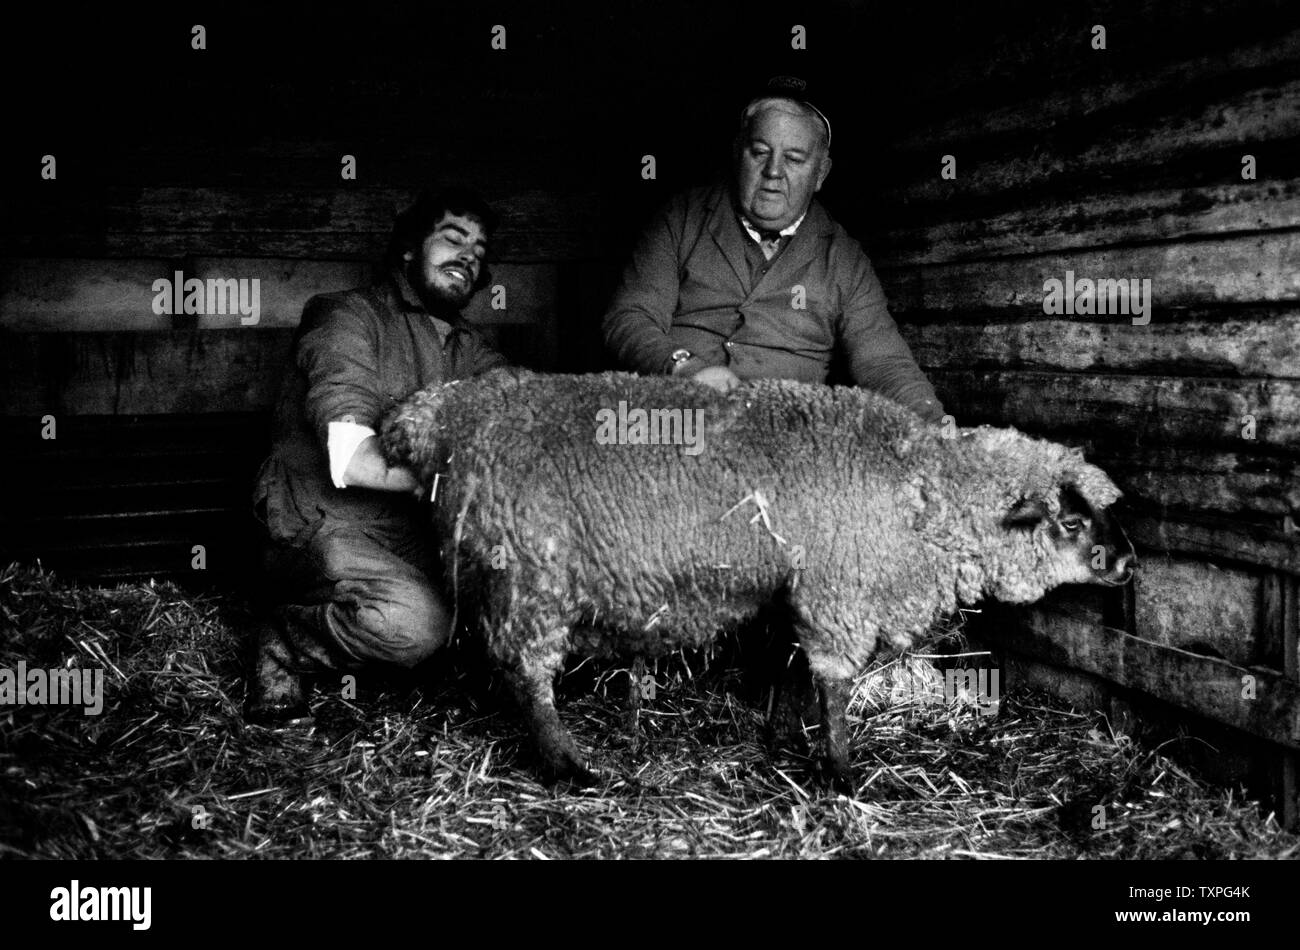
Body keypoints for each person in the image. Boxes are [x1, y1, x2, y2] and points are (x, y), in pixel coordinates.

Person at [246, 187, 508, 724]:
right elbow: (351, 460)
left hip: (409, 536)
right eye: (453, 239)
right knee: (416, 625)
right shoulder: (346, 316)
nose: (468, 257)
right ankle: (282, 639)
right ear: (410, 248)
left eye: (479, 252)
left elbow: (523, 406)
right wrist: (453, 475)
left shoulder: (469, 348)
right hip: (321, 523)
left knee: (507, 599)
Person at [602, 75, 945, 422]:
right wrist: (683, 367)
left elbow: (883, 363)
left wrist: (935, 425)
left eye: (794, 159)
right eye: (760, 152)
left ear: (821, 173)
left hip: (784, 437)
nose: (774, 171)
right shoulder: (682, 218)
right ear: (738, 154)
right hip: (679, 417)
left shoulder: (844, 259)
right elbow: (630, 317)